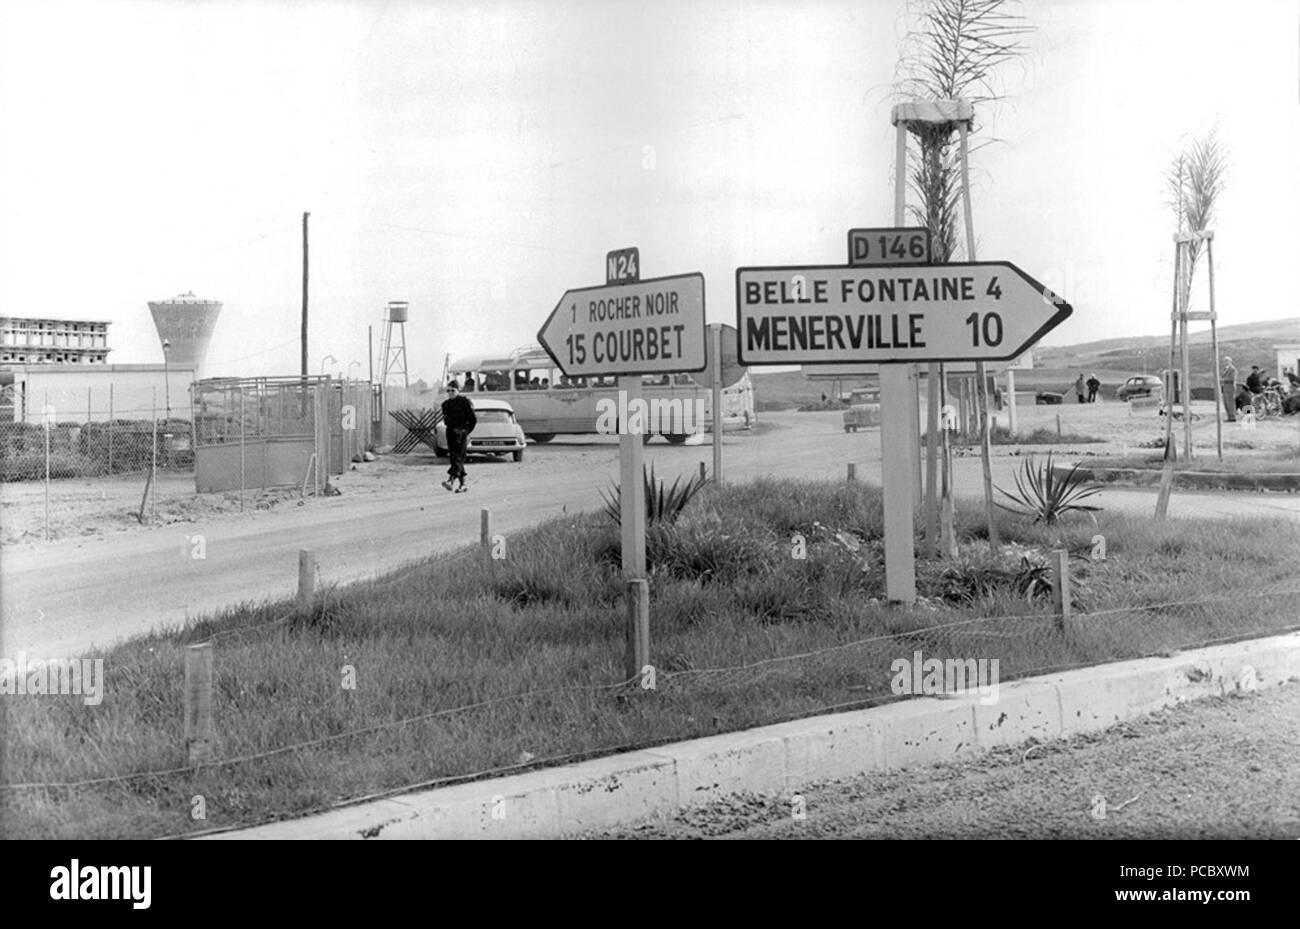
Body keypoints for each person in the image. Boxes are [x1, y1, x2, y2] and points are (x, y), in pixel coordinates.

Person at [440, 382, 477, 493]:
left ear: (458, 390)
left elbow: (473, 420)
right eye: (448, 390)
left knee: (458, 457)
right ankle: (463, 484)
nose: (450, 393)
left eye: (453, 390)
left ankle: (451, 480)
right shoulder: (445, 404)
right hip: (450, 432)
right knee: (454, 457)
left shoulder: (465, 402)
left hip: (461, 432)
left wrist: (466, 431)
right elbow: (446, 419)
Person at [1220, 357, 1238, 422]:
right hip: (1225, 387)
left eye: (1226, 361)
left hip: (1230, 387)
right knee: (1226, 403)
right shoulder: (1225, 369)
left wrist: (1223, 380)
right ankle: (1229, 416)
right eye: (1224, 361)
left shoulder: (1233, 369)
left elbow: (1232, 379)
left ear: (1230, 361)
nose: (1225, 362)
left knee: (1230, 402)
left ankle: (1232, 417)